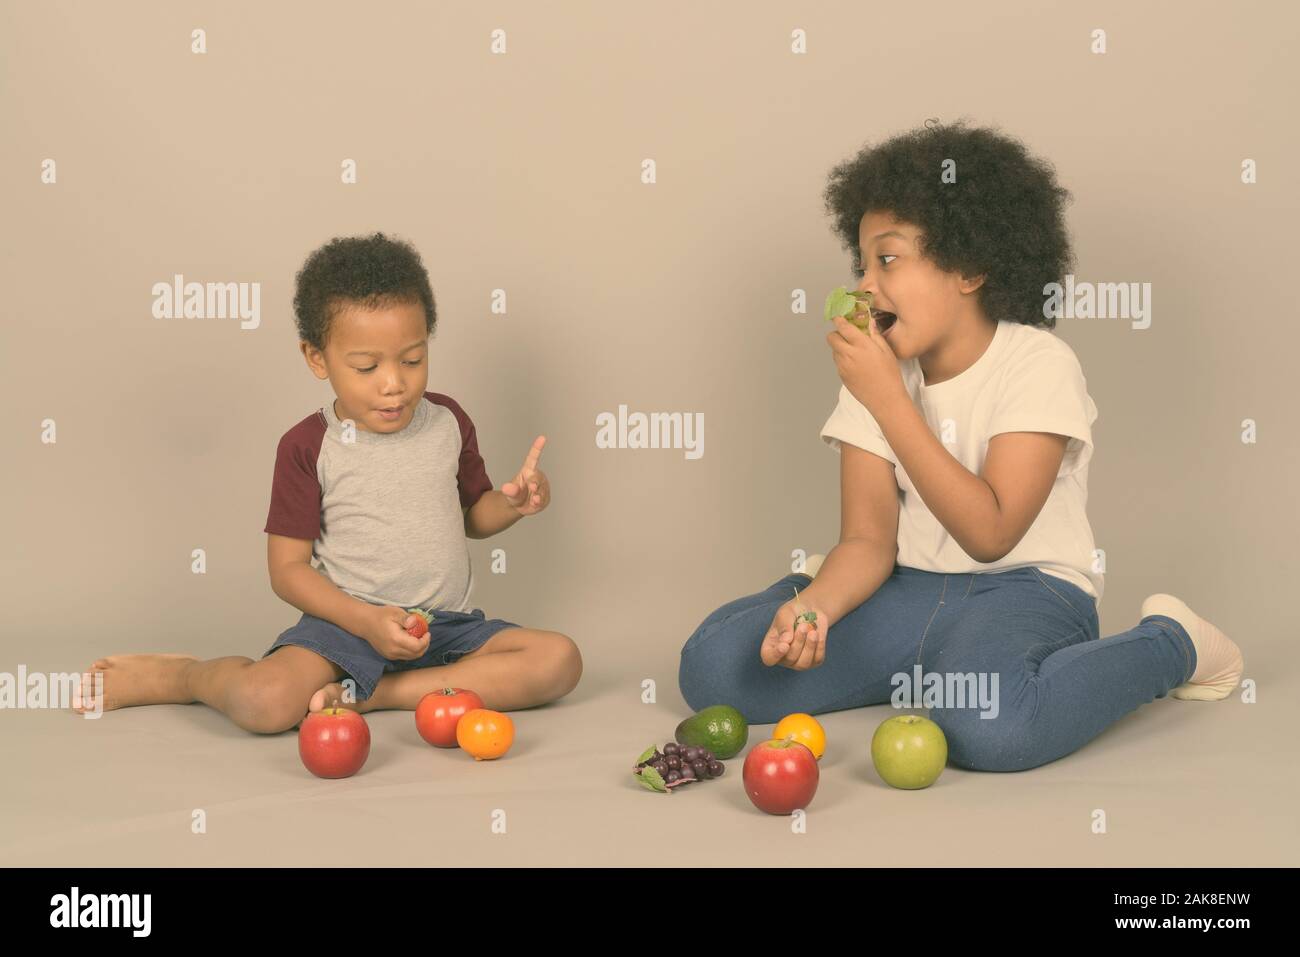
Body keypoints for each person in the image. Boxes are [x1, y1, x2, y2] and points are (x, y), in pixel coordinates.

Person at [678, 120, 1243, 772]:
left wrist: (888, 398)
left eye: (887, 260)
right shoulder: (880, 372)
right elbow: (867, 541)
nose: (865, 285)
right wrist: (813, 607)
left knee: (991, 727)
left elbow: (992, 530)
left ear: (970, 266)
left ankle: (1172, 642)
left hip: (1024, 591)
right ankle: (920, 662)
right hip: (903, 588)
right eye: (860, 264)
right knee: (716, 669)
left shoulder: (1036, 364)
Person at [73, 233, 582, 731]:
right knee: (263, 702)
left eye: (413, 359)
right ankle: (183, 676)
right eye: (366, 366)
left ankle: (376, 696)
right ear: (318, 358)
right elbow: (288, 571)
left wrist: (511, 504)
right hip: (345, 631)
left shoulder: (447, 421)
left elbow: (473, 516)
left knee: (559, 660)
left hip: (445, 627)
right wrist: (365, 622)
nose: (394, 383)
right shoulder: (307, 446)